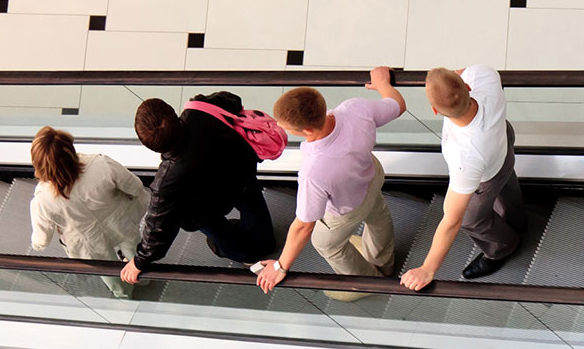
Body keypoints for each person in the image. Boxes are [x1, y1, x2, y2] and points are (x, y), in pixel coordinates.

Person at [256, 67, 407, 301]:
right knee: (378, 215)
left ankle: (370, 281)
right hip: (372, 179)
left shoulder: (314, 171)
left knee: (325, 243)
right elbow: (398, 105)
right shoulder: (355, 108)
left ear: (306, 130)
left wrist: (280, 267)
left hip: (346, 209)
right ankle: (384, 263)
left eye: (285, 126)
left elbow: (304, 225)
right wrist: (383, 85)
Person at [121, 92, 277, 284]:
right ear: (172, 112)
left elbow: (157, 230)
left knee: (218, 231)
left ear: (151, 146)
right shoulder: (199, 111)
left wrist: (139, 261)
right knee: (252, 205)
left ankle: (246, 255)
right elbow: (233, 101)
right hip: (238, 172)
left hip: (203, 209)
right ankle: (265, 241)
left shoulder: (165, 184)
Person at [400, 65, 527, 290]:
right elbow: (465, 70)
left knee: (472, 219)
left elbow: (452, 221)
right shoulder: (485, 78)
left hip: (482, 173)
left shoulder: (465, 157)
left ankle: (504, 246)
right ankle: (517, 220)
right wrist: (451, 80)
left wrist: (427, 268)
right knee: (506, 179)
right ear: (468, 86)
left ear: (434, 110)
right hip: (501, 146)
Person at [28, 127, 151, 298]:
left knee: (107, 271)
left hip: (87, 242)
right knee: (134, 249)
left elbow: (41, 241)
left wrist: (36, 244)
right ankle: (145, 278)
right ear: (70, 149)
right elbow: (135, 186)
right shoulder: (101, 164)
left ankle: (123, 294)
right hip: (121, 222)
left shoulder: (42, 200)